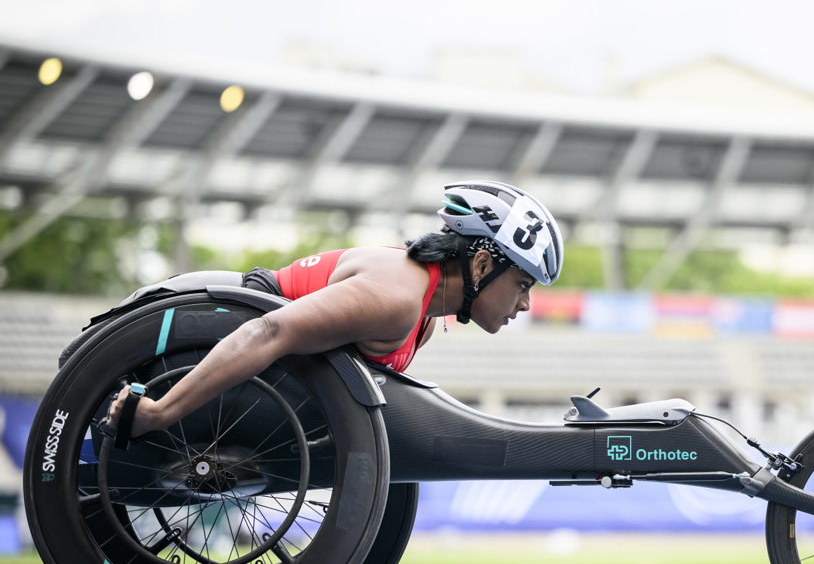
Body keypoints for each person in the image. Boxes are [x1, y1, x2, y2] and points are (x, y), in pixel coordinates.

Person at [105, 179, 563, 438]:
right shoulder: (399, 298)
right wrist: (160, 413)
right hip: (218, 315)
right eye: (523, 285)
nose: (526, 303)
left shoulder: (423, 318)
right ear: (481, 264)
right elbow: (268, 332)